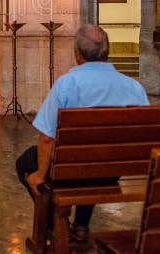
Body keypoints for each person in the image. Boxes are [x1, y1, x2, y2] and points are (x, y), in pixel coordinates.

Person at [16, 24, 149, 243]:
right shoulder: (133, 87)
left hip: (70, 172)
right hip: (111, 171)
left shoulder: (67, 85)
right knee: (95, 156)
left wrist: (40, 173)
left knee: (25, 163)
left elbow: (47, 137)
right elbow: (144, 133)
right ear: (107, 52)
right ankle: (81, 226)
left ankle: (57, 224)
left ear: (77, 55)